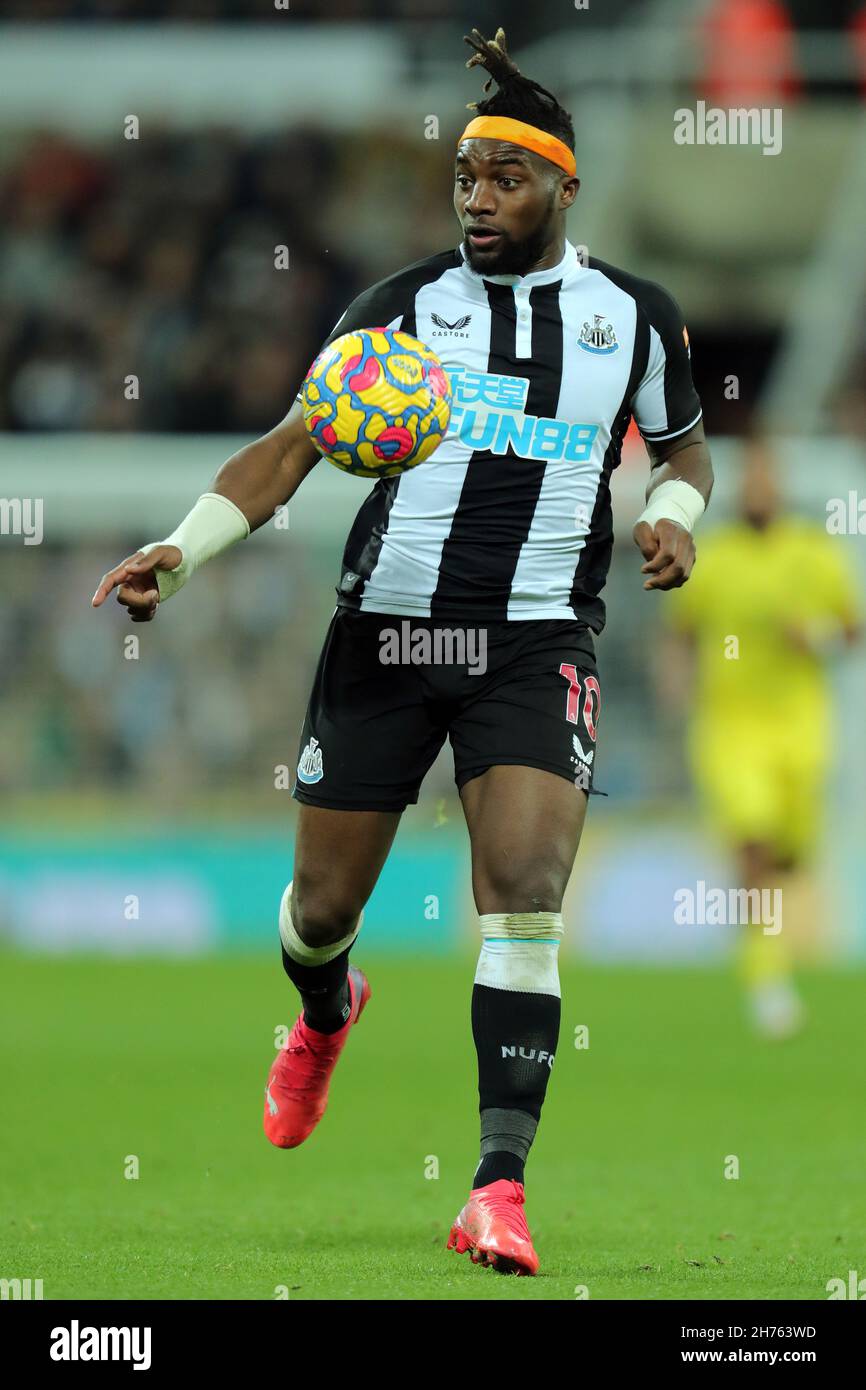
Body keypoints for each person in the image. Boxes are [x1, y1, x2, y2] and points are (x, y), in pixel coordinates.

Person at [92, 26, 712, 1276]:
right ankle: (325, 1010)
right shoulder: (402, 311)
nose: (477, 200)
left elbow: (685, 446)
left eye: (504, 179)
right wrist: (180, 547)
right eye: (464, 180)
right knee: (322, 912)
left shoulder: (632, 319)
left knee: (525, 893)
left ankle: (496, 1185)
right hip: (386, 631)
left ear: (562, 187)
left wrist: (669, 514)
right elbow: (286, 448)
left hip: (536, 637)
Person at [664, 436, 861, 1038]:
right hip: (730, 728)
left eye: (766, 479)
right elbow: (683, 634)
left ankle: (769, 938)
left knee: (790, 854)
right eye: (748, 480)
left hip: (800, 728)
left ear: (781, 488)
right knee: (752, 844)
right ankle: (766, 977)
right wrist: (676, 689)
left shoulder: (812, 552)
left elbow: (851, 632)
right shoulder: (713, 555)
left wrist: (817, 636)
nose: (758, 490)